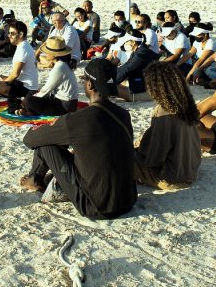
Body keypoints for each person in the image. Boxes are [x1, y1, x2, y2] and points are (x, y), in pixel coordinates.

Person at [19, 58, 136, 220]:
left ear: (89, 85)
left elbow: (30, 139)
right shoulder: (123, 114)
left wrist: (51, 127)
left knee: (45, 142)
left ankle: (34, 179)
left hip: (95, 205)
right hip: (128, 200)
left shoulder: (78, 119)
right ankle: (38, 178)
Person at [134, 61, 202, 189]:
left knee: (122, 155)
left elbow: (154, 159)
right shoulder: (184, 104)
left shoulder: (163, 111)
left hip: (171, 177)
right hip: (190, 170)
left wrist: (138, 152)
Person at [19, 37, 79, 116]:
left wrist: (28, 100)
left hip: (64, 106)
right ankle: (30, 111)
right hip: (65, 102)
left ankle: (29, 111)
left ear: (54, 55)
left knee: (28, 101)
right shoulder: (63, 63)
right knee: (31, 93)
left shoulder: (59, 67)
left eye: (47, 52)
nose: (45, 54)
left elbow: (46, 90)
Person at [0, 20, 39, 112]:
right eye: (9, 33)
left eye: (12, 33)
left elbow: (15, 74)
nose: (9, 35)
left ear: (20, 34)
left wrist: (4, 84)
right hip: (24, 83)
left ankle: (7, 93)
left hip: (27, 88)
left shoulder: (23, 49)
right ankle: (3, 91)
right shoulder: (23, 45)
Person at [114, 31, 159, 101]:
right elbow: (126, 66)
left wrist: (113, 83)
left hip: (148, 86)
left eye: (126, 42)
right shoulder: (138, 50)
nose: (125, 44)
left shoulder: (141, 54)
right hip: (142, 81)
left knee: (115, 90)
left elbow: (128, 69)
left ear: (133, 42)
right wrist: (112, 75)